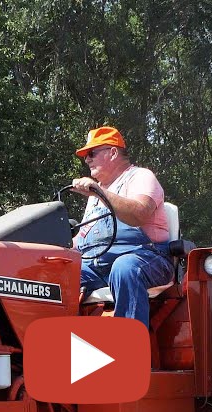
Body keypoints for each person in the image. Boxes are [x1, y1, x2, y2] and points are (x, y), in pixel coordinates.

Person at [71, 126, 174, 329]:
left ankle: (131, 353)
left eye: (91, 153)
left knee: (124, 268)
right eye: (85, 156)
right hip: (97, 265)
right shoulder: (96, 196)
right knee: (58, 276)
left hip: (147, 257)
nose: (87, 160)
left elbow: (139, 213)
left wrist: (99, 192)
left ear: (113, 152)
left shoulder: (140, 177)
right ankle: (60, 349)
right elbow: (82, 239)